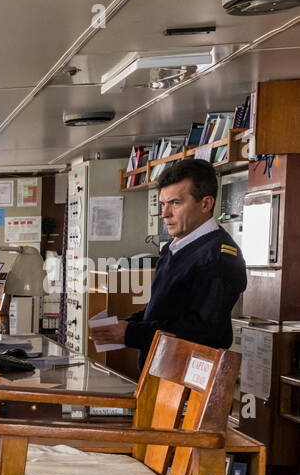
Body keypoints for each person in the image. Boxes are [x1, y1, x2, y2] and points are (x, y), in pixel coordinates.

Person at [90, 158, 245, 370]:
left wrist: (130, 333)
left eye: (175, 203)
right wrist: (125, 325)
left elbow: (202, 331)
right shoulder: (174, 247)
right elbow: (162, 310)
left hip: (189, 380)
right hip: (161, 373)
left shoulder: (219, 257)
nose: (164, 214)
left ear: (206, 204)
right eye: (163, 204)